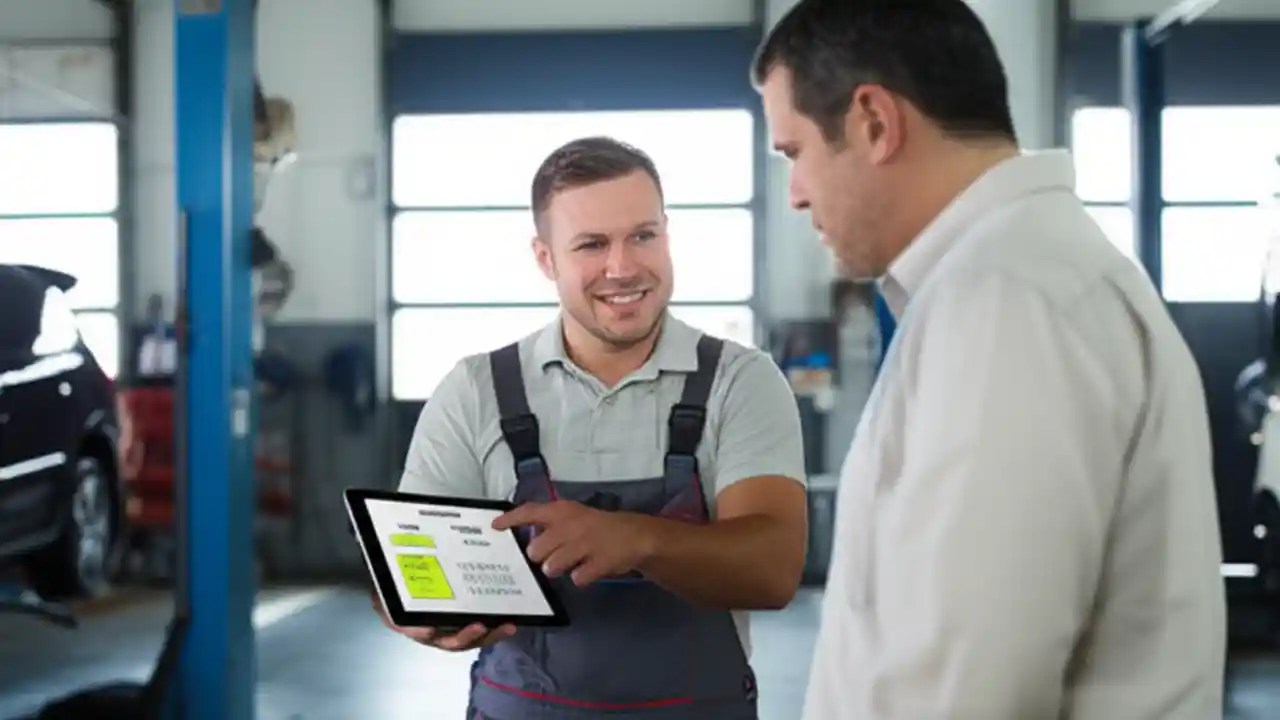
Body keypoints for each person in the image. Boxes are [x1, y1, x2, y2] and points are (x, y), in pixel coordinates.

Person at [752, 1, 1227, 718]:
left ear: (875, 123)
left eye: (794, 153)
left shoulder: (1004, 303)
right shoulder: (1013, 282)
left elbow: (964, 689)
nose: (793, 194)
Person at [381, 136, 809, 719]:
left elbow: (773, 569)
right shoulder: (476, 391)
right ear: (545, 259)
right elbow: (404, 565)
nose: (623, 267)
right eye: (591, 244)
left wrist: (636, 539)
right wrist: (409, 610)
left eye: (643, 236)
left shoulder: (740, 382)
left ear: (667, 235)